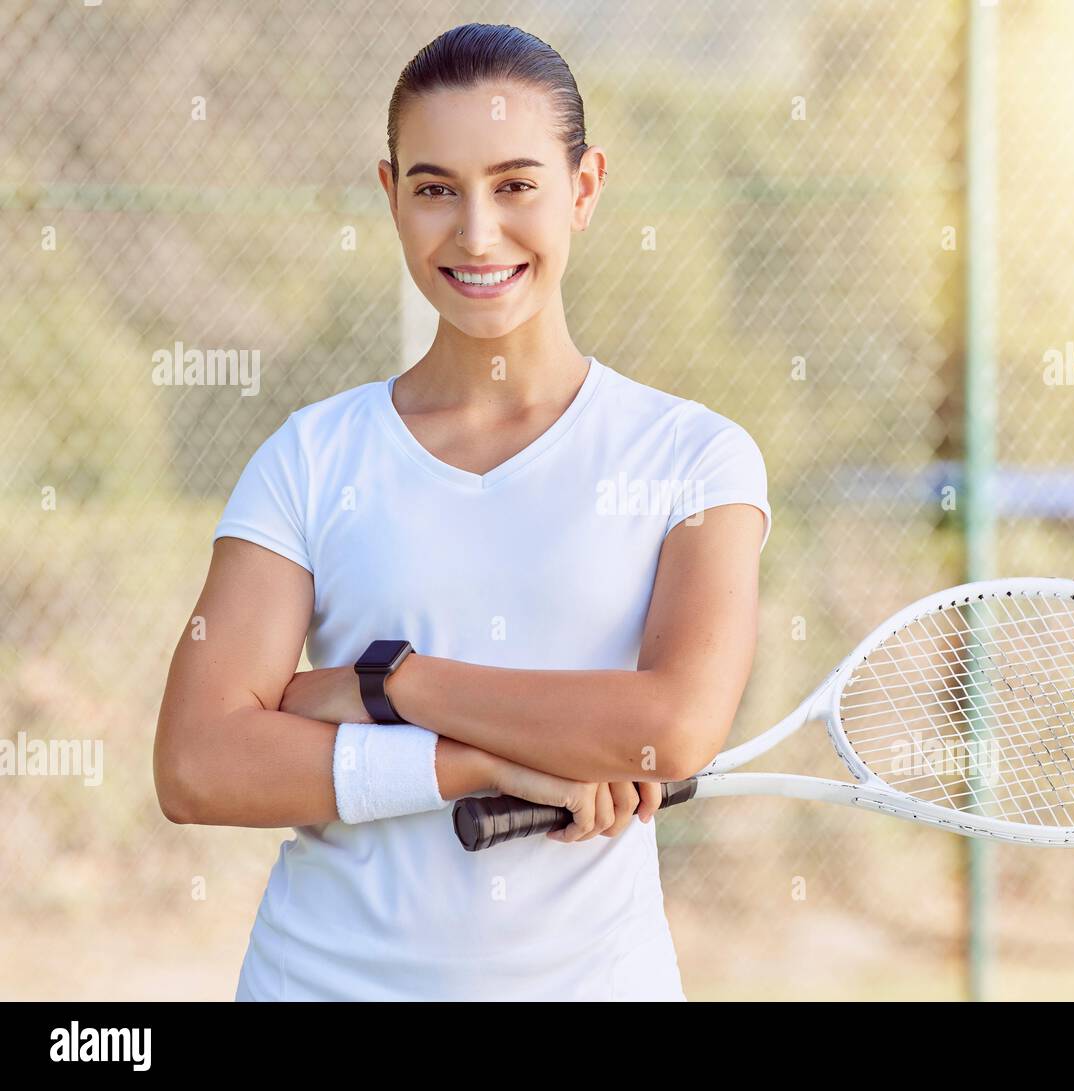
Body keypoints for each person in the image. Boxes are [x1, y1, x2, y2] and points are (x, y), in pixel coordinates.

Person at [153, 22, 770, 1002]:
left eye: (516, 184)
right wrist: (477, 759)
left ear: (585, 188)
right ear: (391, 194)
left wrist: (387, 684)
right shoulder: (311, 456)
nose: (477, 233)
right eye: (436, 187)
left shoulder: (694, 455)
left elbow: (675, 724)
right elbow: (197, 762)